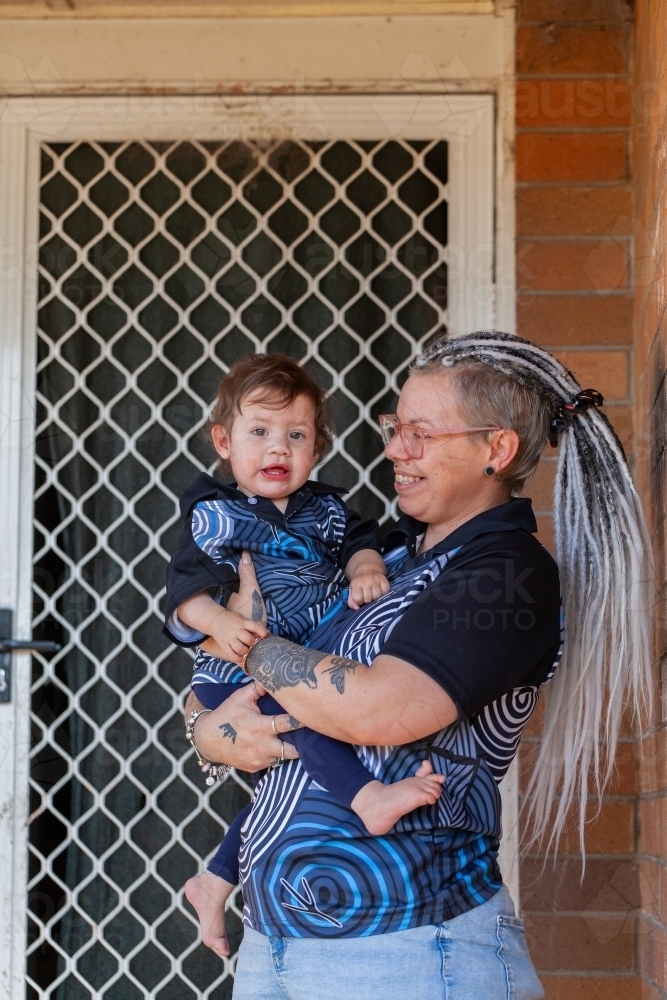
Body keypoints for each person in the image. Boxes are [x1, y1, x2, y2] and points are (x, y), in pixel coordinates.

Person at [185, 333, 652, 1000]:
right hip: (274, 940)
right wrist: (209, 733)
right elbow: (224, 702)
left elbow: (376, 709)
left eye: (420, 434)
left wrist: (244, 641)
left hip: (410, 947)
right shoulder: (388, 559)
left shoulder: (504, 573)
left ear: (496, 449)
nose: (394, 450)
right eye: (394, 427)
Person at [165, 353, 445, 954]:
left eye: (296, 435)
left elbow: (364, 541)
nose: (278, 448)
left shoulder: (328, 511)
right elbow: (184, 593)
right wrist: (219, 620)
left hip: (302, 661)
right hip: (234, 668)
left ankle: (213, 883)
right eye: (259, 432)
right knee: (308, 733)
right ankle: (368, 799)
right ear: (223, 442)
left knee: (290, 781)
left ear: (317, 447)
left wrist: (365, 567)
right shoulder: (214, 514)